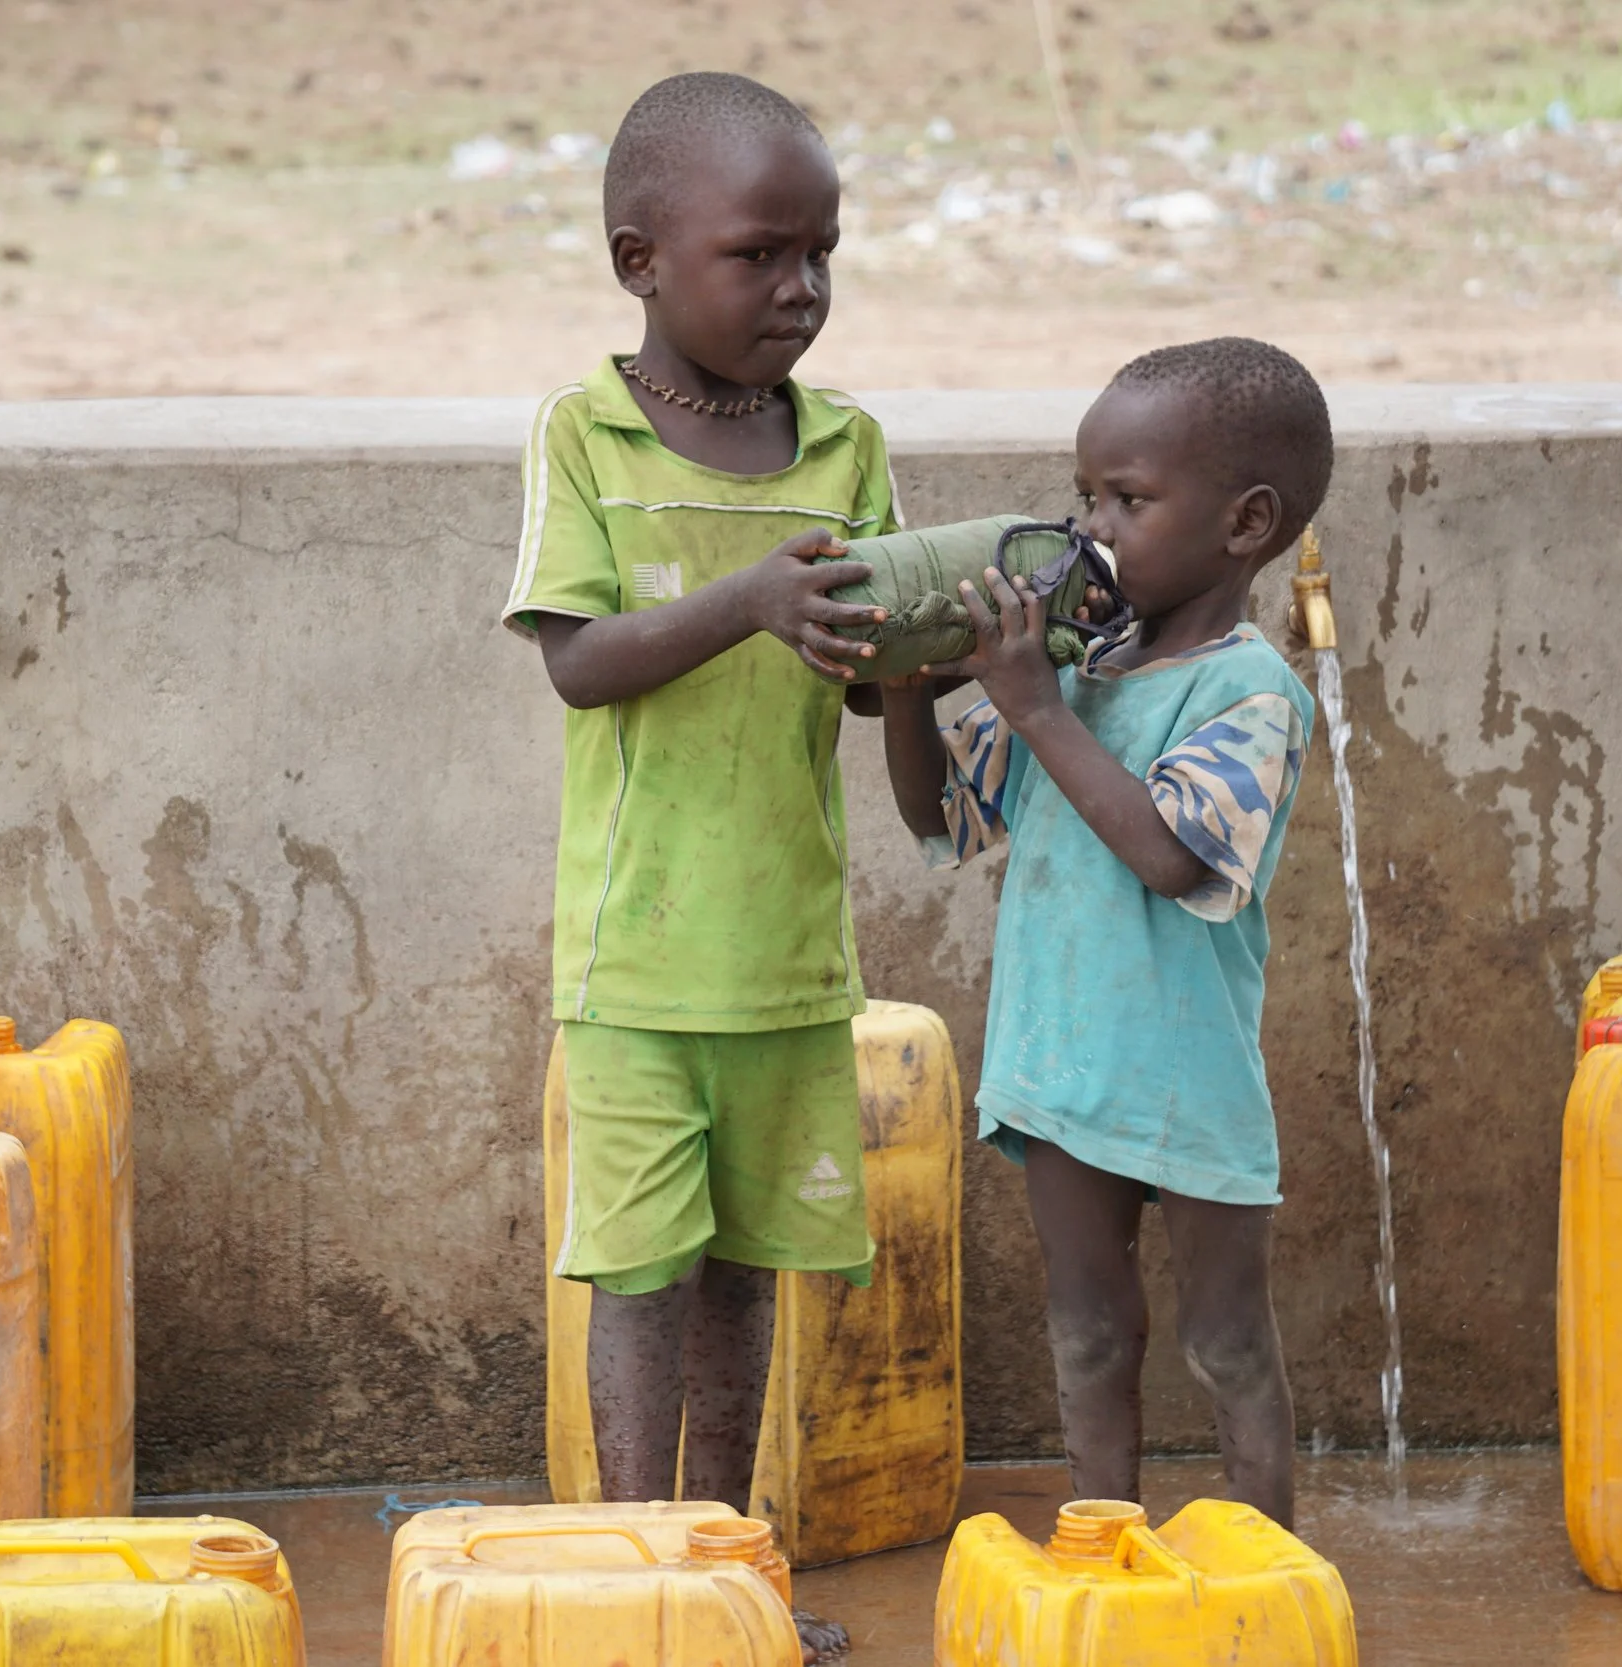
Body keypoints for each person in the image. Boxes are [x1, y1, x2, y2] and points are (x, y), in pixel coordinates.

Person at [501, 70, 892, 1659]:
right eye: (759, 255)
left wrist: (937, 635)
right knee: (643, 1277)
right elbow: (579, 660)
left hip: (789, 956)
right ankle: (625, 1575)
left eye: (824, 254)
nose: (799, 289)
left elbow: (875, 670)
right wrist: (744, 600)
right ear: (639, 259)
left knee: (746, 1275)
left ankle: (723, 1571)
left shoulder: (850, 442)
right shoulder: (583, 433)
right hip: (638, 963)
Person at [881, 337, 1331, 1525]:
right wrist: (902, 691)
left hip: (1186, 1081)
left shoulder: (1248, 694)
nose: (1092, 527)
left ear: (1244, 524)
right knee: (1087, 1331)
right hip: (1061, 1067)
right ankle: (1102, 1552)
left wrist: (1032, 703)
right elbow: (937, 812)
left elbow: (1171, 853)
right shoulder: (1074, 670)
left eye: (1127, 500)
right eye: (1085, 495)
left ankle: (1266, 1570)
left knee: (1226, 1340)